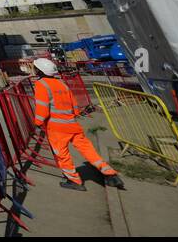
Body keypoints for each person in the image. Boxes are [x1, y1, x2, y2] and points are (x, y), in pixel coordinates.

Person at [32, 57, 125, 191]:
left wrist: (38, 122)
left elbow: (42, 107)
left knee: (62, 155)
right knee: (88, 149)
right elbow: (74, 106)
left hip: (56, 128)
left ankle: (74, 180)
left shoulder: (41, 84)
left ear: (39, 71)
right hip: (72, 125)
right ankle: (110, 174)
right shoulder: (62, 84)